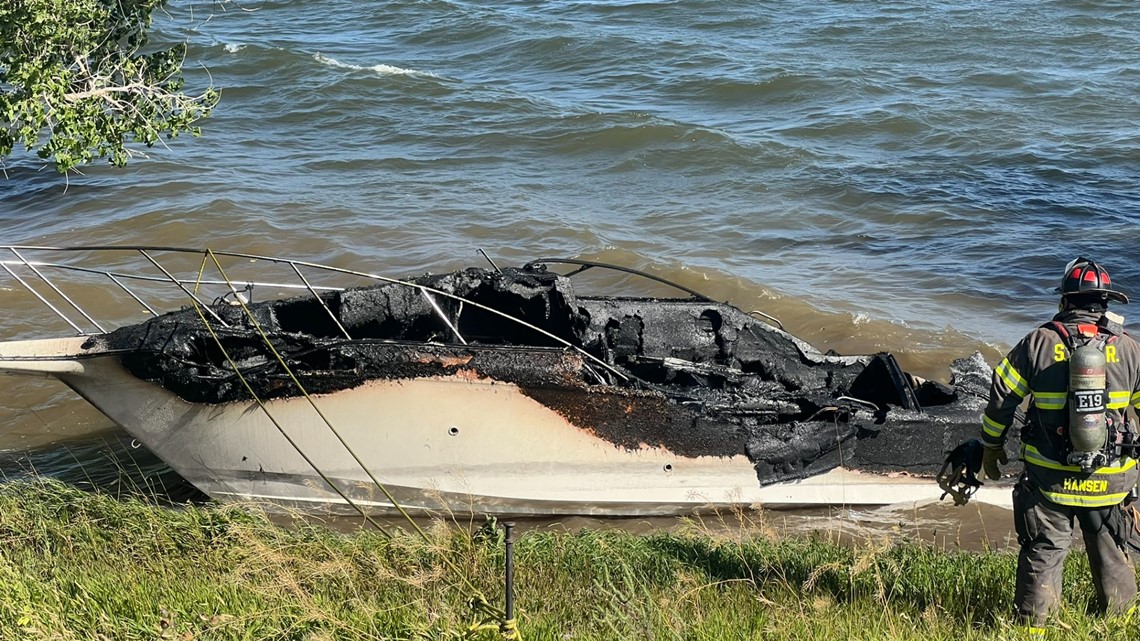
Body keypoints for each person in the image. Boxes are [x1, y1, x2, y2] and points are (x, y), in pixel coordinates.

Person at [980, 257, 1140, 633]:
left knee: (1045, 550)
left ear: (1065, 301)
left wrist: (991, 446)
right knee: (1112, 550)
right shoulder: (1131, 350)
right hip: (1111, 481)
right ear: (1105, 303)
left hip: (1050, 480)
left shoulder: (1038, 342)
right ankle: (1123, 624)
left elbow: (1001, 398)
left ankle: (1034, 630)